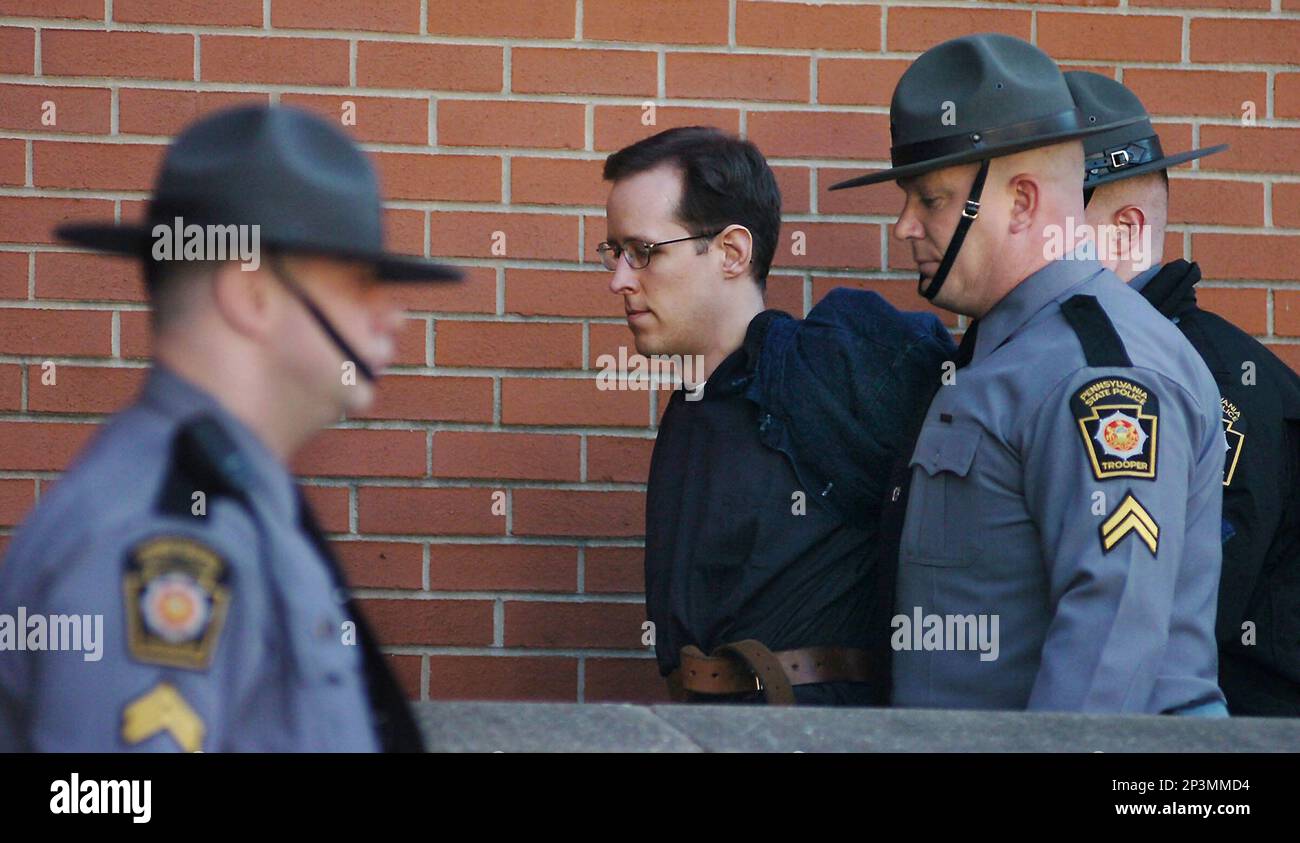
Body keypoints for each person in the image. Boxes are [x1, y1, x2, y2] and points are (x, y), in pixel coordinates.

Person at [0, 105, 461, 750]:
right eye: (361, 283)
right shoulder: (160, 540)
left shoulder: (231, 497)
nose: (395, 316)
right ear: (252, 296)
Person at [830, 33, 1228, 713]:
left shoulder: (1097, 372)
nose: (903, 226)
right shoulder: (1005, 348)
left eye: (929, 199)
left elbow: (1109, 636)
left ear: (1019, 203)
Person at [601, 126, 955, 705]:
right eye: (613, 253)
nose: (619, 279)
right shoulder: (694, 404)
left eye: (642, 252)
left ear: (733, 253)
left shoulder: (829, 367)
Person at [1069, 70, 1300, 716]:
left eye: (1048, 215)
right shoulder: (1116, 360)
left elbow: (1176, 614)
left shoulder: (1205, 383)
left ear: (1123, 229)